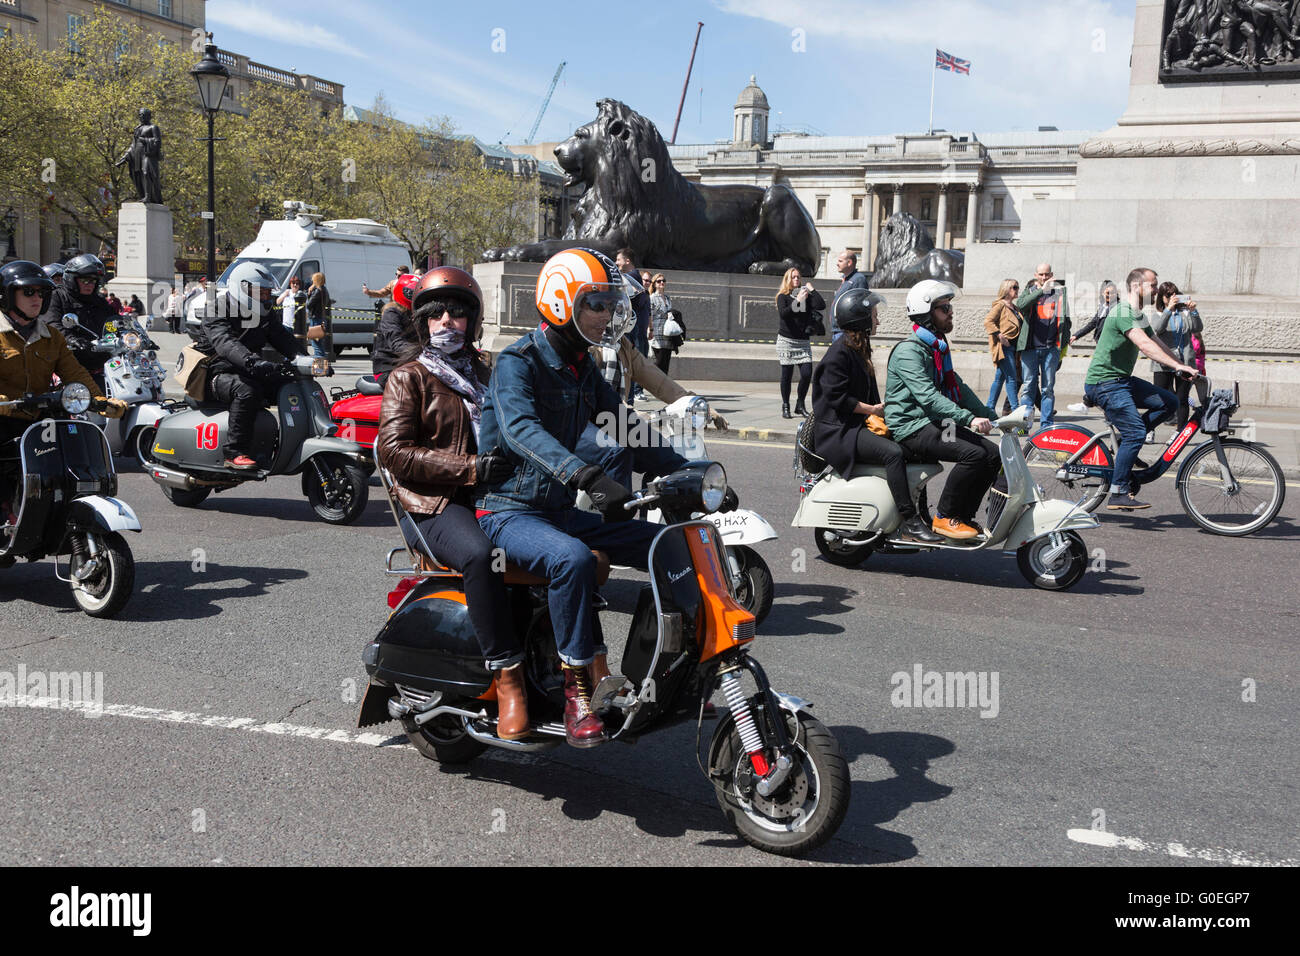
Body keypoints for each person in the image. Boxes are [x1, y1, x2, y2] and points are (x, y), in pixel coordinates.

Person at [475, 248, 689, 748]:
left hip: (552, 511)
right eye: (597, 302)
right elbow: (521, 430)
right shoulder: (516, 363)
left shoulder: (581, 366)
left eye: (610, 303)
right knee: (571, 560)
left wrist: (689, 472)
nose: (608, 314)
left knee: (663, 544)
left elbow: (623, 424)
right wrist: (586, 474)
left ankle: (674, 660)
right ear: (559, 301)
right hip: (506, 512)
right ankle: (577, 692)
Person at [375, 267, 530, 740]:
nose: (447, 321)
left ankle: (579, 672)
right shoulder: (409, 377)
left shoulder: (487, 372)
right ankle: (508, 678)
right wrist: (469, 469)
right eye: (437, 313)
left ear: (473, 321)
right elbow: (392, 450)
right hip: (433, 503)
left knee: (569, 547)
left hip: (495, 494)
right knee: (481, 556)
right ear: (422, 322)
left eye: (458, 314)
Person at [814, 289, 943, 544]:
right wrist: (872, 410)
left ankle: (922, 514)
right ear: (859, 319)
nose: (877, 321)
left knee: (919, 447)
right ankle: (909, 521)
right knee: (892, 453)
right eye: (873, 316)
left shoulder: (858, 347)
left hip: (858, 424)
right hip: (840, 432)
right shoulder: (839, 352)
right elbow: (835, 398)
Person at [1, 261, 126, 522]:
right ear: (7, 294)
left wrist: (100, 401)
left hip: (36, 419)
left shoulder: (52, 337)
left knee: (67, 454)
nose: (37, 298)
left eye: (42, 293)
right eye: (28, 292)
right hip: (3, 418)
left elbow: (75, 372)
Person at [579, 271, 728, 487]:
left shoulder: (623, 348)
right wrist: (629, 411)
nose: (620, 311)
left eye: (622, 304)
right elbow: (599, 393)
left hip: (619, 422)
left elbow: (660, 383)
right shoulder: (588, 347)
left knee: (667, 456)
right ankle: (618, 519)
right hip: (587, 424)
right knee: (619, 455)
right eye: (612, 305)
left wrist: (702, 406)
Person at [885, 280, 1001, 541]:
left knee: (992, 454)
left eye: (949, 307)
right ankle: (945, 516)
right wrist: (970, 419)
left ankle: (961, 517)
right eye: (944, 308)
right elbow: (928, 397)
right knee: (973, 454)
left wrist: (994, 417)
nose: (951, 313)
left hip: (931, 423)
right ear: (926, 314)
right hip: (910, 427)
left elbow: (957, 387)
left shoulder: (936, 348)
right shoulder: (908, 352)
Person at [1083, 267, 1198, 511]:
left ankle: (1127, 443)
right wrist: (1177, 366)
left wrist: (1181, 366)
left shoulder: (1138, 314)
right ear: (1137, 286)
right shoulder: (1124, 311)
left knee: (1170, 402)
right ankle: (1118, 492)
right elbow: (1145, 345)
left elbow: (1157, 343)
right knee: (1137, 432)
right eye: (1152, 285)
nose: (1156, 289)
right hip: (1105, 384)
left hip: (1121, 381)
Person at [191, 261, 305, 470]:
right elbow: (226, 343)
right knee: (246, 391)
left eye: (267, 292)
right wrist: (251, 361)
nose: (265, 297)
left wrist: (306, 360)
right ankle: (234, 453)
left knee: (292, 383)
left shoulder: (264, 313)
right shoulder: (216, 308)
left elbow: (283, 338)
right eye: (261, 292)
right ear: (242, 288)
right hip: (214, 374)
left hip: (250, 368)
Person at [1014, 262, 1071, 430]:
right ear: (1035, 275)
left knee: (1047, 389)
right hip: (1030, 348)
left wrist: (1062, 345)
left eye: (1047, 274)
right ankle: (1024, 424)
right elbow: (1021, 305)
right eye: (1041, 274)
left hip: (1051, 349)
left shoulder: (1059, 293)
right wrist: (1041, 289)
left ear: (1051, 274)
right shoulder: (1030, 291)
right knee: (1028, 387)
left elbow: (1066, 320)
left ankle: (1046, 425)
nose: (1044, 277)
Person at [45, 254, 117, 386]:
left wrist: (129, 334)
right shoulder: (57, 297)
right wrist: (72, 339)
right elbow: (52, 323)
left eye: (94, 281)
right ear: (72, 279)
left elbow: (113, 323)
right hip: (69, 365)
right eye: (85, 280)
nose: (90, 284)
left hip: (103, 366)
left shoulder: (100, 302)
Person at [1149, 281, 1208, 432]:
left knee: (1182, 399)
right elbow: (1158, 329)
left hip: (1185, 361)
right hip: (1163, 363)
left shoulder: (1185, 314)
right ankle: (1150, 430)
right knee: (1158, 399)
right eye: (1168, 295)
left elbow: (1197, 328)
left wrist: (1194, 311)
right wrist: (1168, 310)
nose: (1172, 298)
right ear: (1162, 298)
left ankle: (1179, 433)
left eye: (1174, 294)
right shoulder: (1158, 314)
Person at [775, 267, 825, 419]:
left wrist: (812, 289)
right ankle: (785, 406)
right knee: (787, 376)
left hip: (803, 342)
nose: (796, 279)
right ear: (788, 279)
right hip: (786, 340)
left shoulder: (806, 295)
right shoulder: (783, 297)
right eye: (793, 277)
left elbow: (821, 305)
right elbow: (784, 314)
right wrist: (797, 301)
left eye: (798, 277)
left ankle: (800, 404)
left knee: (806, 374)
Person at [370, 273, 421, 384]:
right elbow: (396, 342)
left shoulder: (415, 314)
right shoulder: (391, 313)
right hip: (387, 369)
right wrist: (420, 353)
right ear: (408, 293)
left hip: (406, 367)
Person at [614, 249, 651, 402]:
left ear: (627, 261)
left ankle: (627, 403)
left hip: (628, 330)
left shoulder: (628, 278)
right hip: (630, 330)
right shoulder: (633, 278)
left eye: (618, 259)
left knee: (626, 368)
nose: (616, 263)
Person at [984, 279, 1022, 416]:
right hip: (1004, 347)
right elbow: (988, 321)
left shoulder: (1015, 308)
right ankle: (1016, 410)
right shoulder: (1000, 305)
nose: (1017, 290)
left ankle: (989, 409)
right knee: (1012, 378)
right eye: (1014, 287)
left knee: (999, 379)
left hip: (1013, 348)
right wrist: (1000, 336)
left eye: (1017, 287)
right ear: (1006, 289)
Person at [830, 250, 870, 341]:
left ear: (849, 263)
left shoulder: (858, 279)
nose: (837, 264)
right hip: (838, 331)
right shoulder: (846, 280)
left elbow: (862, 305)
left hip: (846, 332)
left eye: (840, 261)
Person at [1070, 279, 1118, 345]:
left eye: (1113, 293)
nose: (1110, 295)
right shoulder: (1102, 307)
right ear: (1102, 293)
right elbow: (1092, 324)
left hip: (1110, 345)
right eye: (1108, 293)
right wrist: (1077, 335)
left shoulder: (1117, 308)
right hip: (1100, 343)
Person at [648, 273, 677, 375]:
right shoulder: (652, 297)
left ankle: (663, 387)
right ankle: (650, 380)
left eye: (663, 281)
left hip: (668, 333)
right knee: (659, 361)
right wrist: (651, 330)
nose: (662, 283)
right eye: (659, 281)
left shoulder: (668, 298)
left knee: (666, 363)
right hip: (657, 332)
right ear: (654, 284)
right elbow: (649, 315)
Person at [305, 272, 330, 358]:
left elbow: (309, 304)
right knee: (320, 344)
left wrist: (309, 293)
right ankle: (323, 365)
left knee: (316, 344)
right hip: (321, 318)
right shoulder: (324, 290)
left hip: (316, 319)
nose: (312, 281)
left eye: (313, 279)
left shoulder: (317, 291)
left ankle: (320, 367)